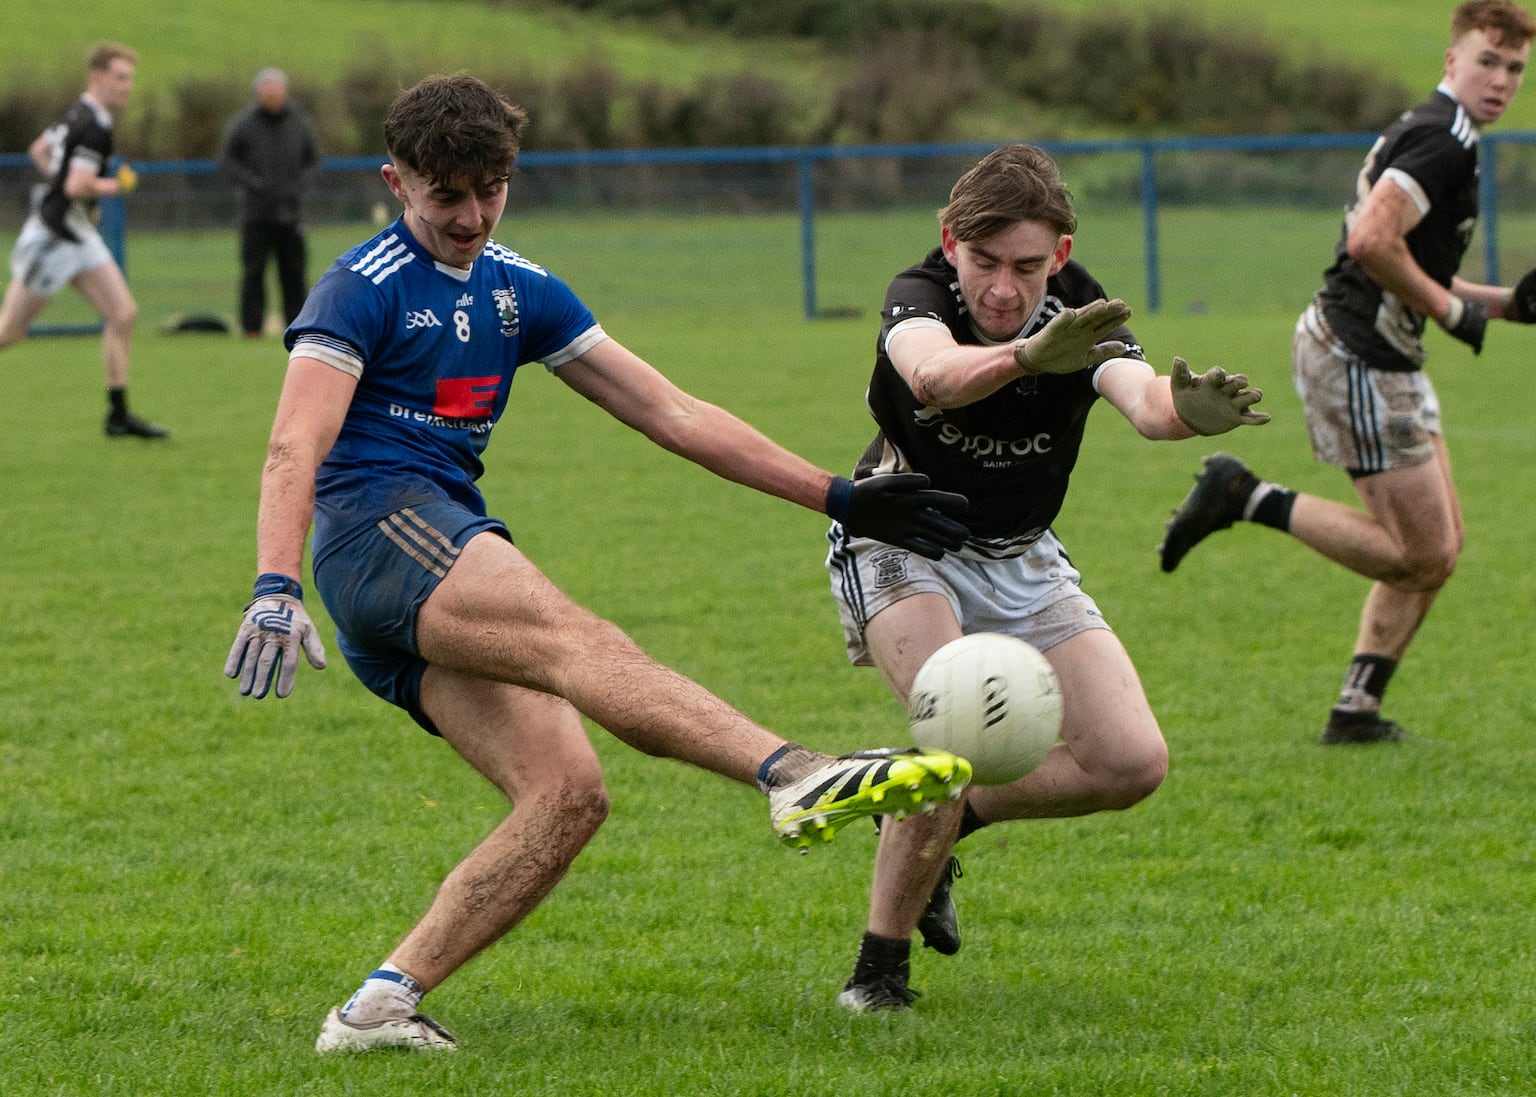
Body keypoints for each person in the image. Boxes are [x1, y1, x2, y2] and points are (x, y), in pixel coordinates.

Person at [222, 73, 974, 1053]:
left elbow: (673, 412)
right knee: (583, 637)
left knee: (568, 793)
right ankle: (794, 771)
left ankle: (378, 1006)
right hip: (381, 536)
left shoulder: (517, 288)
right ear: (394, 181)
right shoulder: (358, 290)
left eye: (491, 187)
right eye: (445, 194)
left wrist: (838, 493)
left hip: (435, 555)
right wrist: (274, 587)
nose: (471, 215)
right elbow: (292, 446)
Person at [823, 143, 1270, 1011]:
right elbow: (933, 376)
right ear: (951, 242)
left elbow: (1141, 398)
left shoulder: (1077, 306)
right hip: (901, 532)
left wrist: (1185, 413)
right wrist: (1029, 358)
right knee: (958, 739)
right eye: (984, 262)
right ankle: (877, 975)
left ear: (1058, 255)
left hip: (1021, 550)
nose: (1002, 289)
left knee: (1130, 760)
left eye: (1027, 267)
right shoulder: (919, 295)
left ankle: (936, 816)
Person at [1159, 0, 1536, 745]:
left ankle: (1356, 709)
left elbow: (1406, 264)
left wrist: (1502, 307)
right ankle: (1244, 495)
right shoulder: (1443, 141)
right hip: (1358, 356)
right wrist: (1452, 312)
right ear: (1451, 61)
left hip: (1379, 353)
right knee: (1422, 552)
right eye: (1487, 61)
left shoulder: (1439, 133)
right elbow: (1369, 243)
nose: (1500, 80)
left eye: (1515, 69)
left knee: (1440, 546)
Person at [0, 42, 166, 438]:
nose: (127, 86)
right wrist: (115, 185)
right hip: (53, 239)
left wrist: (65, 188)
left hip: (75, 233)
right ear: (97, 77)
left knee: (123, 313)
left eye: (130, 79)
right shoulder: (92, 127)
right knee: (8, 333)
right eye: (120, 78)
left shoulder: (80, 114)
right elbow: (76, 184)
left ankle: (118, 415)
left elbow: (39, 151)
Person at [217, 67, 322, 337]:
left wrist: (298, 186)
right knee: (253, 274)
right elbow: (228, 161)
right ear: (258, 93)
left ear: (285, 93)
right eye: (268, 91)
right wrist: (250, 182)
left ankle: (298, 327)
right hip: (256, 214)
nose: (273, 96)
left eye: (277, 91)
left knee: (294, 274)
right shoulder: (244, 124)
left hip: (291, 213)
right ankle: (252, 328)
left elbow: (313, 160)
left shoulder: (300, 123)